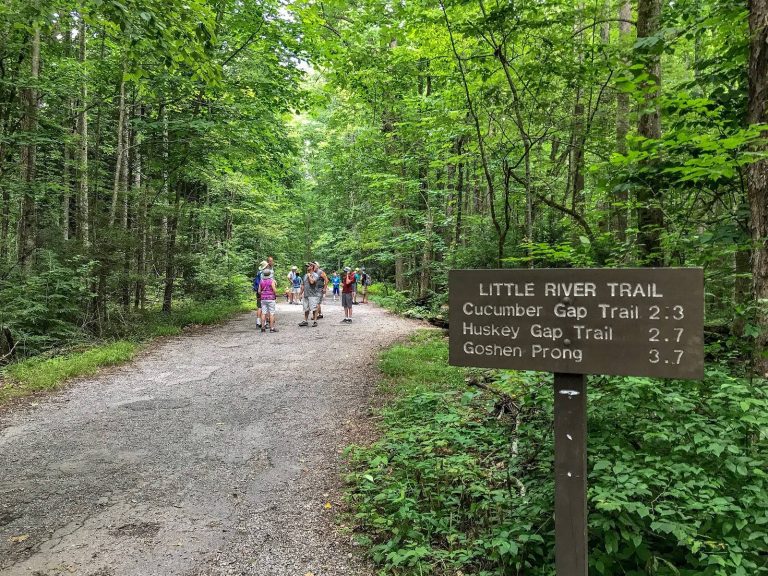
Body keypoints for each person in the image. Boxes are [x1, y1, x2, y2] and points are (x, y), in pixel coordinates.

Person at [299, 262, 320, 327]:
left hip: (313, 295)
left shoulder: (315, 275)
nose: (307, 267)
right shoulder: (305, 275)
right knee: (306, 308)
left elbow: (312, 282)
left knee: (314, 308)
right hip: (306, 294)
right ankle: (305, 321)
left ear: (312, 267)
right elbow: (303, 285)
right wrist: (300, 294)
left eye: (308, 266)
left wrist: (309, 276)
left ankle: (315, 321)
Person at [258, 268, 278, 332]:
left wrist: (263, 293)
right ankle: (272, 328)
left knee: (263, 313)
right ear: (270, 274)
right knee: (271, 313)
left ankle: (263, 327)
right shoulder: (271, 281)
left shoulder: (261, 281)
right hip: (271, 299)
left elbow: (259, 291)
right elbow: (274, 290)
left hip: (263, 299)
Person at [253, 260, 267, 328]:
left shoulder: (258, 273)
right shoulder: (264, 273)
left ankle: (258, 322)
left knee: (259, 307)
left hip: (258, 292)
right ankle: (264, 323)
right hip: (263, 291)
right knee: (264, 307)